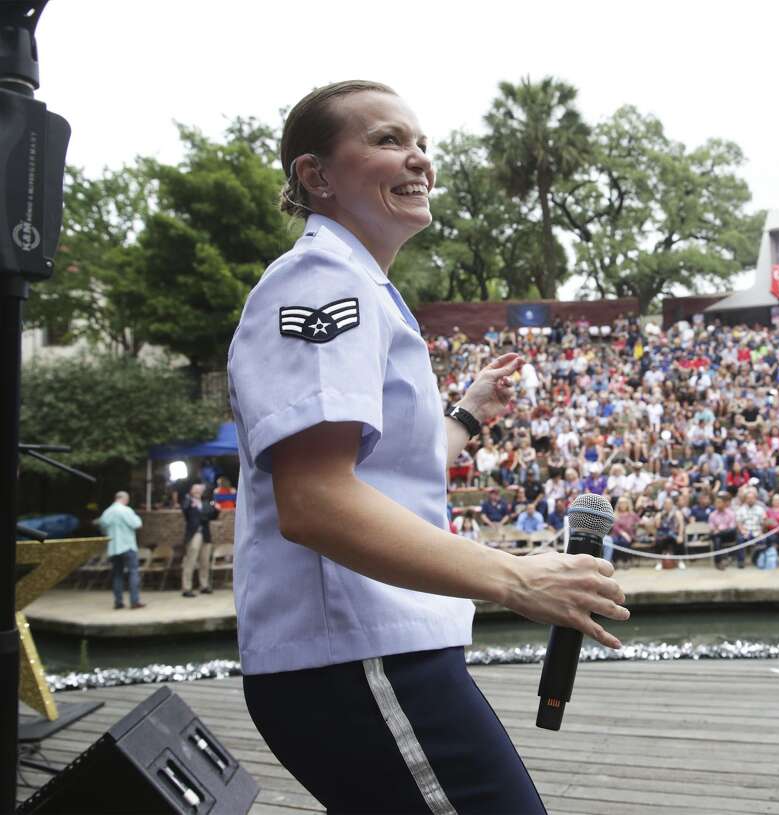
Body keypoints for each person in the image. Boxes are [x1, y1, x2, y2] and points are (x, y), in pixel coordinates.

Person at [227, 81, 626, 813]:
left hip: (369, 653)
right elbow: (314, 500)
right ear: (316, 175)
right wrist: (516, 578)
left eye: (421, 143)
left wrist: (466, 415)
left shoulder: (362, 285)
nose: (419, 159)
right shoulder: (322, 279)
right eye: (388, 140)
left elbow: (377, 476)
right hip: (356, 655)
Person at [95, 491, 146, 610]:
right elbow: (137, 524)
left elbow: (102, 528)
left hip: (113, 547)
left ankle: (118, 602)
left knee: (117, 574)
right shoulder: (126, 510)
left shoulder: (107, 512)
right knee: (133, 572)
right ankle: (134, 601)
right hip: (128, 545)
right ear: (125, 499)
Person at [180, 482, 219, 597]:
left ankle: (204, 585)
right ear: (191, 491)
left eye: (199, 489)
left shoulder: (205, 503)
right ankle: (187, 587)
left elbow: (212, 515)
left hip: (205, 534)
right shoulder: (188, 501)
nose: (197, 491)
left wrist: (215, 510)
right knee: (190, 560)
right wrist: (191, 501)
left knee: (205, 561)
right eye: (195, 489)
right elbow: (185, 510)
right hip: (194, 534)